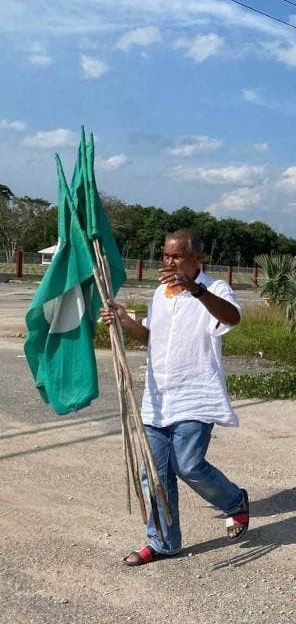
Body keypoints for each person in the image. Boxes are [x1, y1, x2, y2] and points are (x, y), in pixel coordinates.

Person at [100, 230, 249, 566]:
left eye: (177, 256)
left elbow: (232, 317)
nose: (169, 262)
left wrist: (196, 290)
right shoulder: (160, 294)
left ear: (198, 259)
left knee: (189, 464)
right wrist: (125, 322)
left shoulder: (216, 288)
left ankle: (235, 502)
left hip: (197, 395)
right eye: (166, 256)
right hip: (158, 396)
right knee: (152, 472)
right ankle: (164, 541)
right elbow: (154, 337)